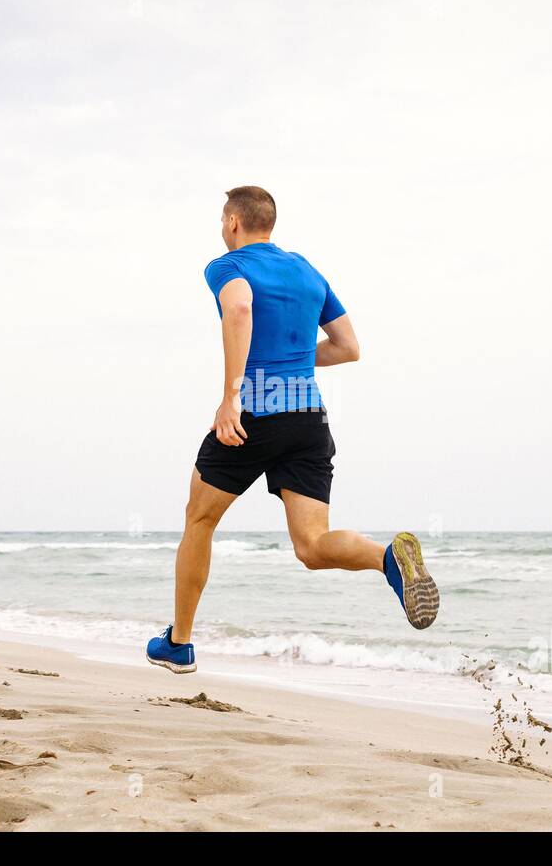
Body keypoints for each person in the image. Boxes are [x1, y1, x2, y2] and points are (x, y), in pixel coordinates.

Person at [146, 186, 438, 673]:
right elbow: (348, 347)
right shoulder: (306, 270)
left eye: (222, 221)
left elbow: (238, 310)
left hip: (254, 415)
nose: (222, 229)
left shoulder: (228, 266)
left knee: (199, 520)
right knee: (311, 545)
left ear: (234, 222)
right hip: (308, 420)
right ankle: (388, 559)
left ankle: (179, 643)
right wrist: (297, 360)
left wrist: (230, 396)